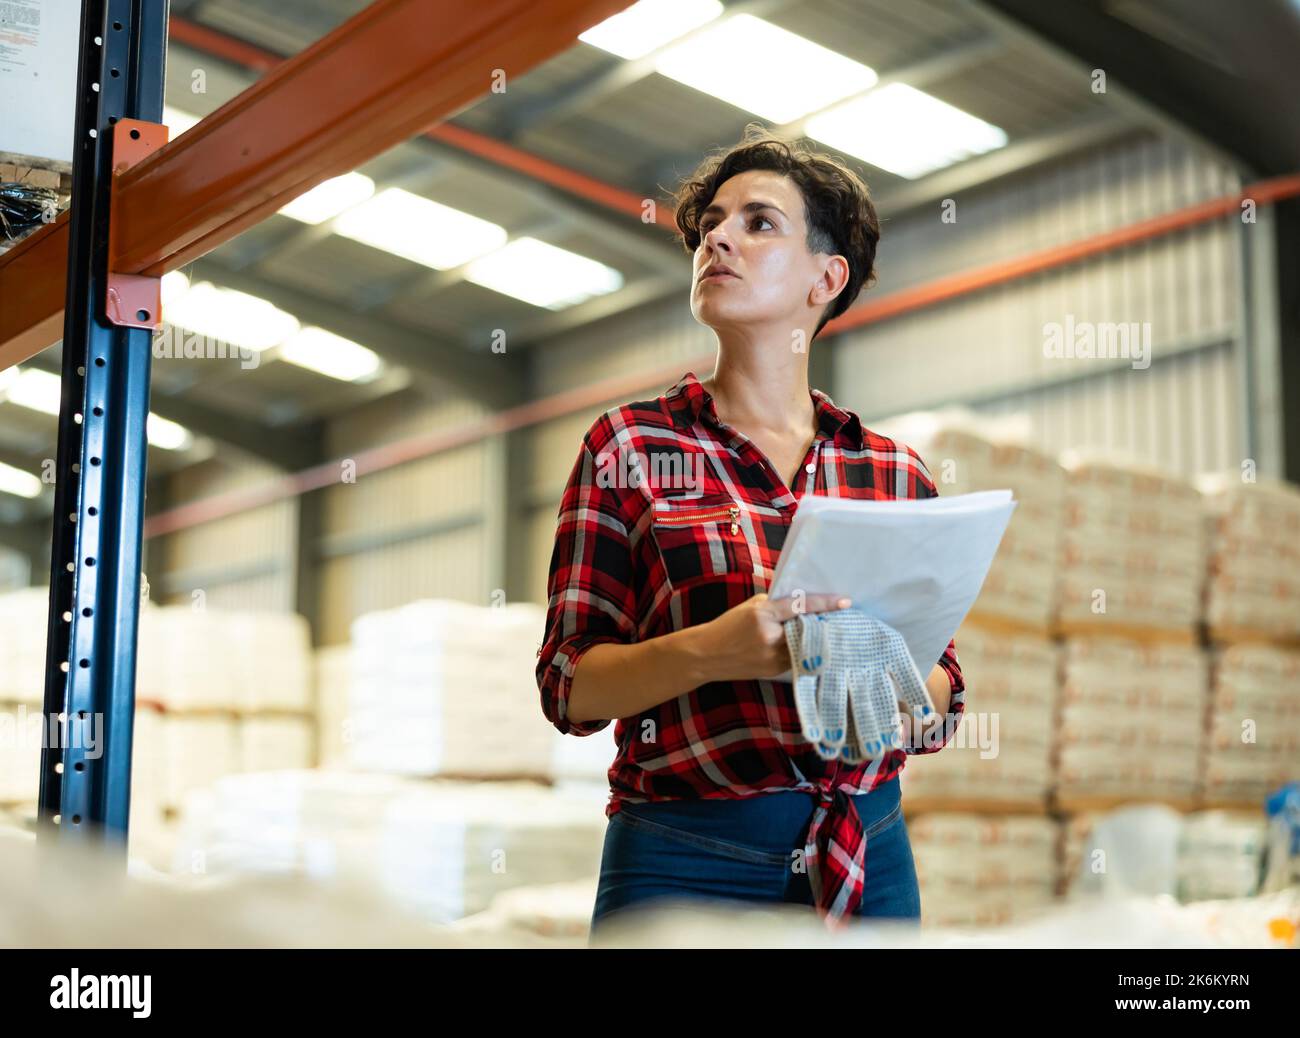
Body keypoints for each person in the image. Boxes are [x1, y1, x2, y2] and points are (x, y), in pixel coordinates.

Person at [535, 126, 965, 937]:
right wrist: (714, 652)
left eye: (758, 222)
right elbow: (569, 685)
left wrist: (890, 680)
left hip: (869, 849)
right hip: (683, 856)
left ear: (826, 279)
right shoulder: (630, 448)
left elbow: (941, 692)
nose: (718, 238)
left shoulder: (895, 473)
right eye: (711, 226)